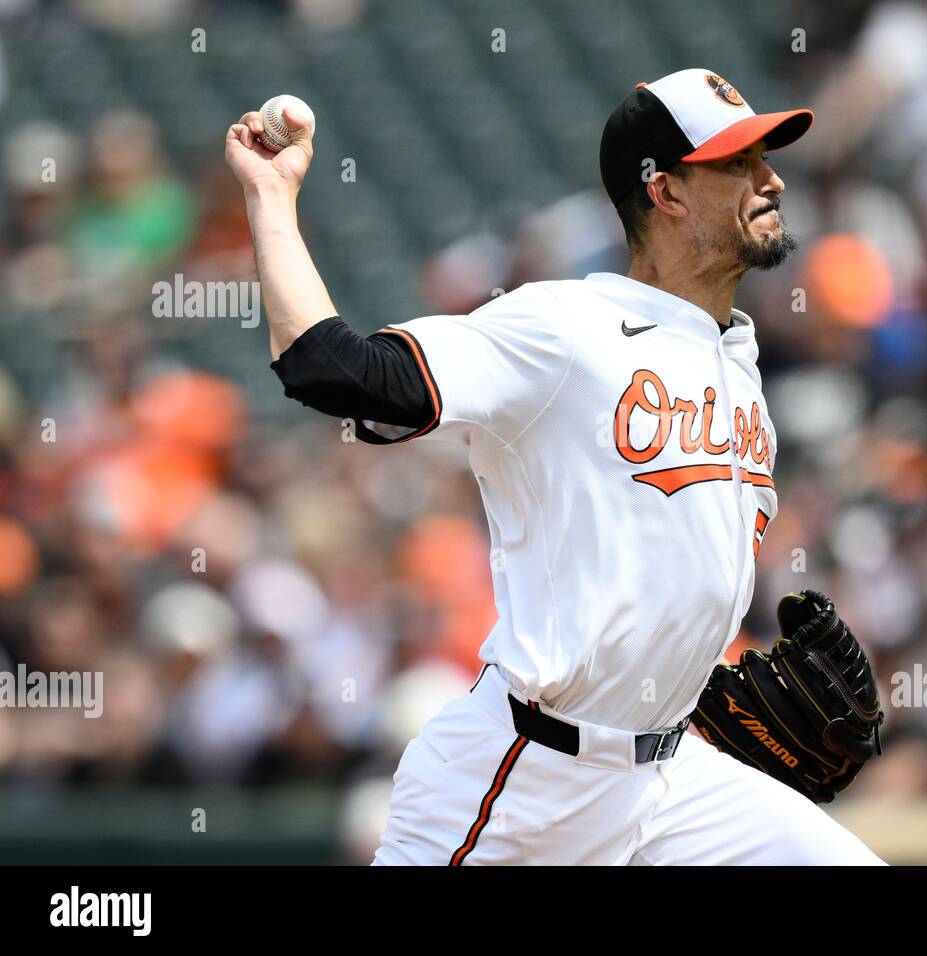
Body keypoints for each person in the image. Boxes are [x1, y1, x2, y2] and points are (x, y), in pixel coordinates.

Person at [225, 68, 885, 865]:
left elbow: (662, 588)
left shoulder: (738, 364)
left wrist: (714, 698)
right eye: (737, 162)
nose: (771, 178)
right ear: (666, 193)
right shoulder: (565, 328)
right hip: (526, 781)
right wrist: (272, 197)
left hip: (672, 780)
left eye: (764, 157)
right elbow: (331, 370)